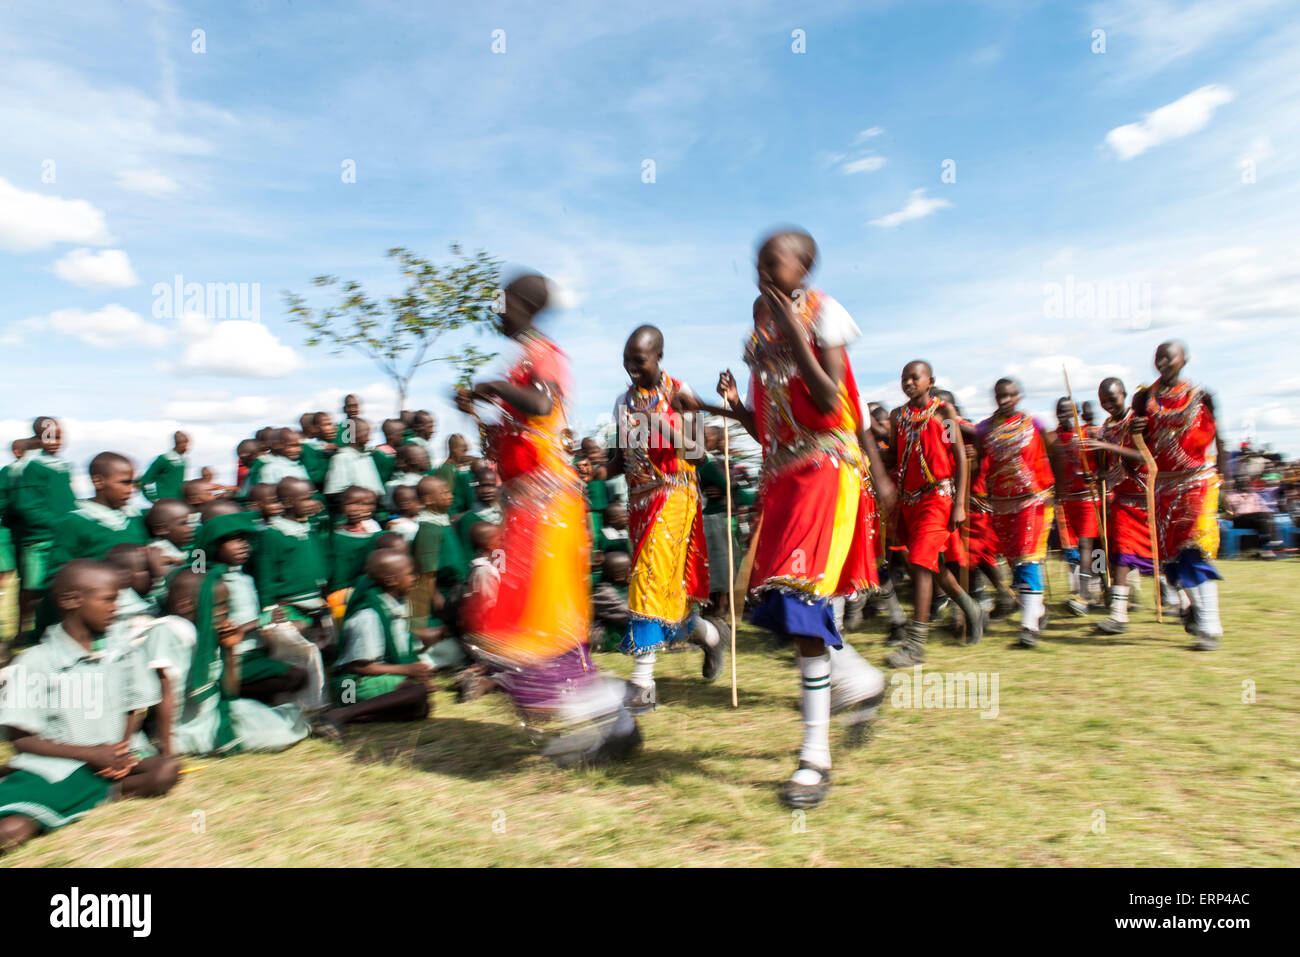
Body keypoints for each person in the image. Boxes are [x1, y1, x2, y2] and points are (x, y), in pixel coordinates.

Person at [692, 231, 894, 808]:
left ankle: (814, 758)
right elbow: (767, 431)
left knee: (802, 605)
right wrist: (727, 408)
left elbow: (832, 402)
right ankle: (860, 681)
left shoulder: (822, 314)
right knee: (784, 606)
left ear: (802, 268)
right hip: (783, 478)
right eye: (756, 263)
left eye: (770, 262)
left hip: (827, 471)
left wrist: (795, 332)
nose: (759, 271)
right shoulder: (760, 341)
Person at [456, 272, 640, 766]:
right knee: (524, 620)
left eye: (502, 301)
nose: (496, 309)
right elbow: (515, 439)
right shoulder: (523, 361)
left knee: (533, 620)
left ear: (522, 304)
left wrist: (492, 387)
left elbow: (542, 403)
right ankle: (610, 722)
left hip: (547, 508)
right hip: (530, 508)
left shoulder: (544, 355)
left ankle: (608, 707)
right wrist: (480, 412)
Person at [0, 560, 177, 852]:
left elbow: (136, 706)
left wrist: (120, 750)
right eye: (108, 600)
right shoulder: (35, 661)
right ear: (71, 601)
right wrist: (92, 754)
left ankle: (98, 790)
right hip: (55, 766)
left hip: (108, 764)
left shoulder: (121, 651)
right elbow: (22, 741)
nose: (115, 609)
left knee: (166, 770)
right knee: (12, 830)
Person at [604, 324, 723, 712]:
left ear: (658, 358)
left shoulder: (679, 394)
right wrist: (591, 471)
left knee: (647, 581)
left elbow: (697, 456)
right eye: (626, 361)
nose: (631, 369)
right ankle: (708, 635)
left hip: (675, 496)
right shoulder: (623, 402)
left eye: (638, 361)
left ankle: (642, 685)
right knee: (663, 596)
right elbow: (620, 459)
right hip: (639, 505)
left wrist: (661, 424)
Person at [146, 566, 308, 756]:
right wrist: (167, 750)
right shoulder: (168, 632)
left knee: (284, 720)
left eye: (227, 606)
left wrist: (229, 649)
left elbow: (230, 692)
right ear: (186, 606)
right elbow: (166, 693)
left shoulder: (206, 634)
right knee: (275, 734)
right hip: (183, 728)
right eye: (219, 606)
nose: (225, 613)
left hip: (212, 715)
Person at [884, 361, 984, 667]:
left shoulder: (944, 414)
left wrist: (959, 505)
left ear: (931, 381)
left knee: (921, 565)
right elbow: (892, 455)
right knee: (933, 567)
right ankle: (971, 608)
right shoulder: (897, 416)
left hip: (938, 499)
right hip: (909, 502)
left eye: (915, 377)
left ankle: (916, 645)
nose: (909, 382)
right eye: (904, 378)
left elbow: (960, 460)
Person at [1132, 341, 1226, 651]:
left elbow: (1220, 439)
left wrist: (1226, 482)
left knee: (1192, 551)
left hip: (1197, 483)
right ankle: (1194, 611)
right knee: (1171, 562)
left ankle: (1210, 626)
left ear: (1184, 359)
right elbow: (1137, 444)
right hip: (1163, 487)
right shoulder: (1144, 398)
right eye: (1157, 355)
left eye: (1168, 356)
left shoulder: (1201, 396)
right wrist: (1136, 429)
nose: (1161, 361)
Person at [975, 379, 1061, 649]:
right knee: (1015, 564)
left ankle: (1028, 628)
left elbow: (1056, 454)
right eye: (1001, 395)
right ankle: (1038, 611)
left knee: (1028, 559)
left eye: (1011, 395)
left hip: (1033, 502)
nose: (1005, 399)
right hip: (1001, 505)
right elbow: (975, 456)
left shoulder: (1036, 424)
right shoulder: (985, 429)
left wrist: (1058, 488)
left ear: (1020, 396)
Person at [314, 549, 435, 740]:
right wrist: (407, 670)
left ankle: (354, 716)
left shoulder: (394, 606)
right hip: (348, 687)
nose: (415, 578)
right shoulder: (368, 616)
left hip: (368, 681)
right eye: (410, 573)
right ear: (391, 581)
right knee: (416, 693)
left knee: (421, 708)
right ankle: (339, 714)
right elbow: (357, 666)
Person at [1085, 377, 1156, 634]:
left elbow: (1143, 456)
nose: (1108, 405)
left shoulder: (1137, 422)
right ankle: (1118, 615)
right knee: (1121, 554)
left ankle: (1184, 604)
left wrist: (1105, 444)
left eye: (1112, 399)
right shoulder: (1104, 428)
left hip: (1147, 496)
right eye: (1103, 401)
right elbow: (1106, 470)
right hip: (1122, 499)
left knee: (1164, 557)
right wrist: (1096, 475)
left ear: (1124, 394)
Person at [11, 418, 75, 633]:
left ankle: (51, 630)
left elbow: (69, 499)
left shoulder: (63, 466)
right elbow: (26, 505)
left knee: (60, 586)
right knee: (33, 588)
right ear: (38, 439)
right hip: (39, 539)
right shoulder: (32, 467)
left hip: (62, 538)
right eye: (49, 437)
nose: (55, 442)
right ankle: (24, 631)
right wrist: (57, 523)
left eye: (58, 436)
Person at [1052, 398, 1105, 616]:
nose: (1064, 416)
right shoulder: (1054, 439)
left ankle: (1086, 594)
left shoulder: (1088, 434)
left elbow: (1103, 464)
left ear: (1076, 413)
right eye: (1060, 412)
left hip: (1088, 498)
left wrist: (1097, 475)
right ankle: (1098, 589)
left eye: (1068, 412)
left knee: (1091, 545)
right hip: (1067, 500)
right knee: (1082, 548)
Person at [324, 418, 385, 505]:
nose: (368, 439)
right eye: (365, 435)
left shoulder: (367, 458)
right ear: (352, 435)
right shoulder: (342, 458)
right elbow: (333, 493)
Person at [454, 461, 503, 553]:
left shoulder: (503, 515)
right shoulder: (468, 520)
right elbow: (467, 553)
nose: (487, 490)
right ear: (475, 489)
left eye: (491, 486)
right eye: (482, 486)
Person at [589, 550, 632, 652]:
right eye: (629, 569)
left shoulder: (623, 587)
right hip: (602, 638)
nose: (632, 571)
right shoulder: (603, 593)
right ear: (618, 575)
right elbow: (627, 615)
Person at [137, 432, 190, 503]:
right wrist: (154, 499)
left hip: (179, 503)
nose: (188, 448)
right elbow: (146, 481)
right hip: (165, 503)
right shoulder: (163, 459)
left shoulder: (183, 461)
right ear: (180, 444)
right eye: (186, 445)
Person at [433, 434, 476, 515]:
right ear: (453, 450)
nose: (465, 454)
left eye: (466, 450)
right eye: (463, 450)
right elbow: (445, 498)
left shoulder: (457, 467)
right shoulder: (447, 469)